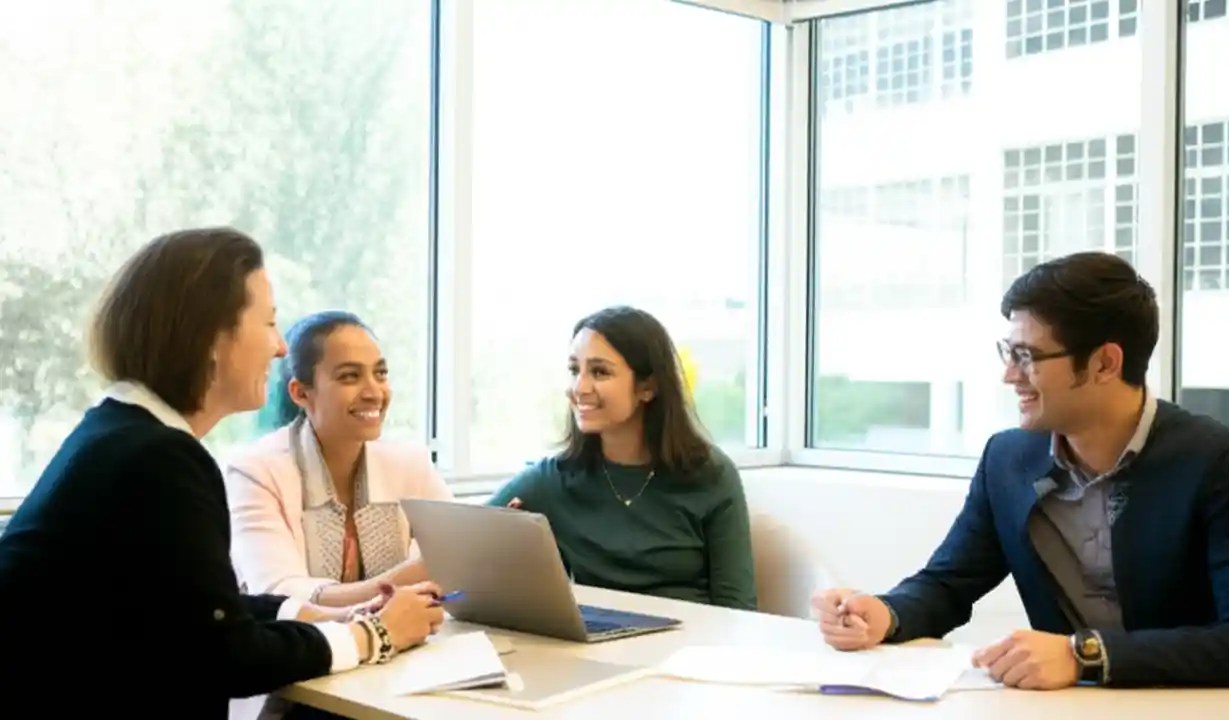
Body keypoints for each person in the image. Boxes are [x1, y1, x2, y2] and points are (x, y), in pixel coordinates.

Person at [0, 228, 444, 718]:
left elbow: (197, 608)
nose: (279, 348)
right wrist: (374, 635)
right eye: (270, 323)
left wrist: (325, 616)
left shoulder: (117, 434)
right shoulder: (159, 461)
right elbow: (226, 654)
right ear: (212, 338)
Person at [811, 251, 1229, 691]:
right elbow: (948, 584)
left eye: (1028, 357)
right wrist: (885, 613)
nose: (1009, 375)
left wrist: (1086, 656)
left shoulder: (1222, 462)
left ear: (1104, 363)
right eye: (1008, 352)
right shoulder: (1008, 459)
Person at [487, 305, 756, 610]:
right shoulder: (554, 478)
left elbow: (739, 609)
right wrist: (503, 542)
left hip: (693, 648)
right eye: (575, 370)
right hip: (596, 649)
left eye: (599, 372)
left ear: (648, 387)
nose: (579, 388)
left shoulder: (711, 475)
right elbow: (460, 540)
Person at [223, 310, 453, 608]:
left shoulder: (411, 462)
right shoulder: (254, 471)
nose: (374, 392)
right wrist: (407, 577)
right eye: (349, 376)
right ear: (300, 393)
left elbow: (459, 555)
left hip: (408, 646)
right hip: (303, 650)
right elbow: (279, 597)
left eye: (380, 373)